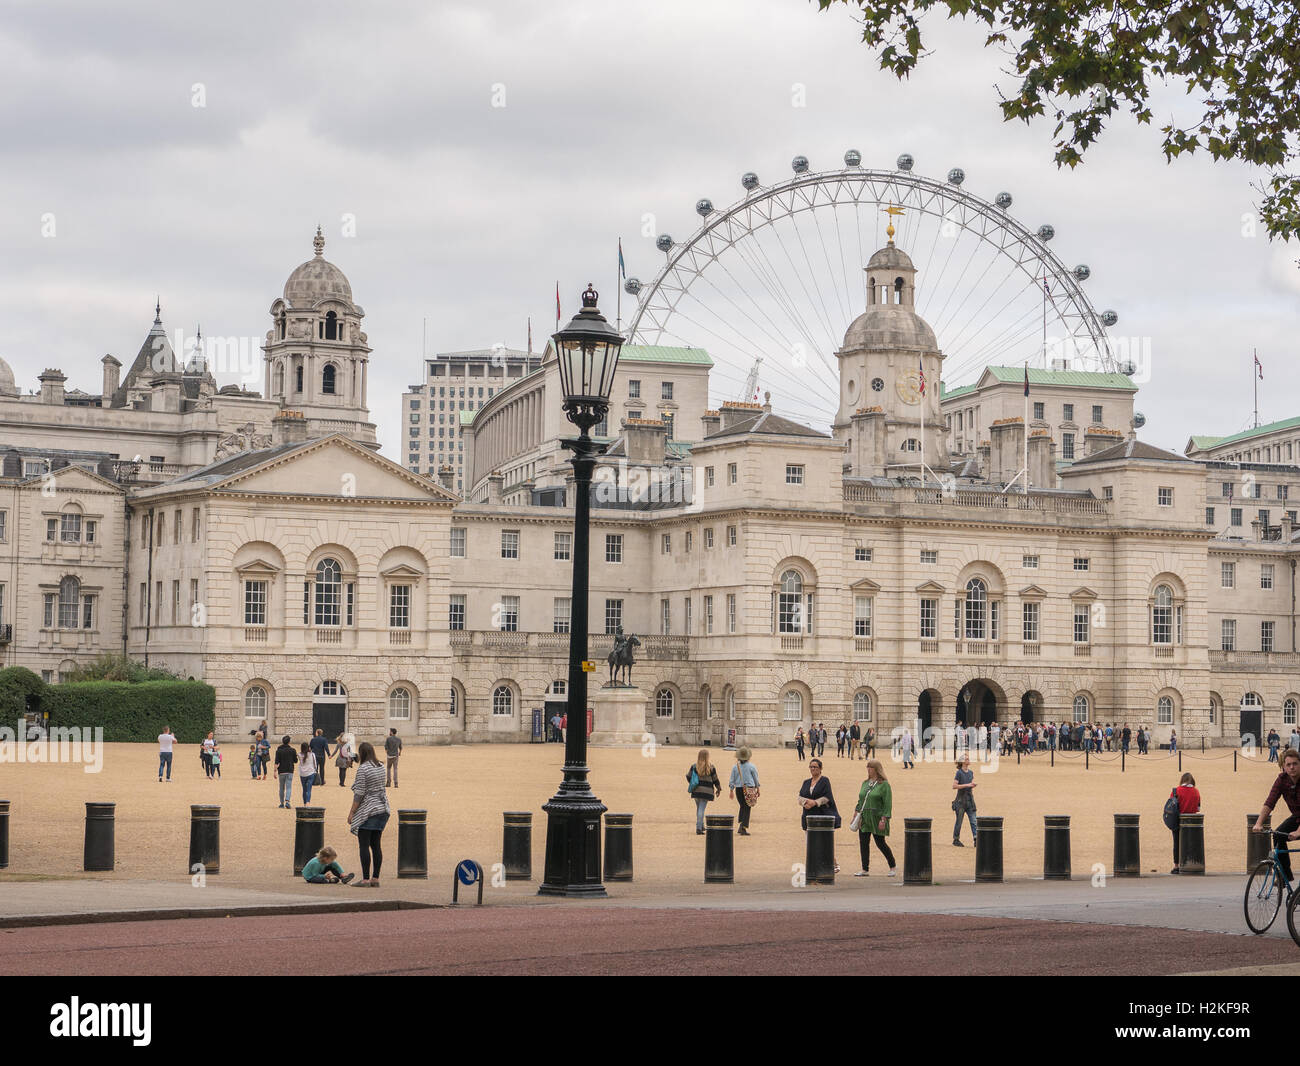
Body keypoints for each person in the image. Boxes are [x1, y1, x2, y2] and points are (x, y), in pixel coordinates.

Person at [1253, 748, 1300, 886]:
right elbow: (1270, 802)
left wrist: (1298, 832)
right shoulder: (1282, 780)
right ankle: (1283, 876)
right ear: (1284, 766)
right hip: (1297, 816)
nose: (1292, 767)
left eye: (1295, 764)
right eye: (1289, 764)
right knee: (1278, 835)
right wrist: (1259, 823)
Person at [347, 741, 391, 886]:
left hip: (369, 809)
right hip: (382, 808)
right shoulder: (381, 766)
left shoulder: (363, 769)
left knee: (364, 845)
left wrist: (352, 812)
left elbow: (359, 793)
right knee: (376, 845)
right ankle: (375, 878)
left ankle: (365, 879)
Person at [853, 758, 896, 877]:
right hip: (864, 816)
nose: (868, 769)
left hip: (877, 817)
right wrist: (856, 813)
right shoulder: (865, 783)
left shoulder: (884, 785)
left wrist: (884, 819)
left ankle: (892, 865)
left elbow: (887, 803)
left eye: (870, 767)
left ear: (876, 769)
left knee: (880, 843)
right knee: (863, 842)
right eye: (867, 767)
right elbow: (861, 799)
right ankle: (864, 868)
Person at [798, 758, 841, 873]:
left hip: (822, 816)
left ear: (820, 768)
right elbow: (800, 796)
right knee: (810, 843)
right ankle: (812, 866)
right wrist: (804, 803)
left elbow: (828, 797)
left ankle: (833, 864)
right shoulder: (806, 782)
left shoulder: (825, 781)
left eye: (815, 767)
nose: (812, 769)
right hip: (808, 816)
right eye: (811, 767)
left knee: (823, 843)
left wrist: (815, 802)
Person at [1168, 772, 1200, 874]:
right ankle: (1190, 862)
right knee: (1190, 843)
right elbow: (1198, 808)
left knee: (1177, 843)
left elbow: (1170, 807)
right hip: (1192, 821)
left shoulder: (1176, 791)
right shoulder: (1196, 791)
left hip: (1178, 820)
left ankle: (1176, 865)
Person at [686, 749, 722, 834]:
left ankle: (701, 825)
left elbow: (688, 777)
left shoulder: (694, 766)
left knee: (699, 808)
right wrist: (718, 788)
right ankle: (699, 827)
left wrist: (693, 783)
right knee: (701, 809)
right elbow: (715, 779)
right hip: (706, 791)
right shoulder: (711, 767)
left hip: (696, 790)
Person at [729, 747, 760, 836]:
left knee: (742, 806)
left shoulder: (735, 767)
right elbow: (755, 779)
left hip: (738, 789)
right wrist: (758, 789)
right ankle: (743, 827)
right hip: (749, 788)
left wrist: (731, 790)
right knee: (748, 807)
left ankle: (741, 824)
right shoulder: (752, 766)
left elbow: (732, 780)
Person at [952, 756, 977, 846]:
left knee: (974, 820)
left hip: (970, 800)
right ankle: (956, 839)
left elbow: (970, 785)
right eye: (966, 759)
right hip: (960, 801)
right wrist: (967, 785)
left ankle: (976, 838)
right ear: (962, 762)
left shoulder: (971, 772)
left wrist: (972, 785)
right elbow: (954, 786)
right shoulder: (959, 773)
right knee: (959, 821)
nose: (968, 760)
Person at [275, 735, 298, 808]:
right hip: (289, 770)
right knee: (289, 787)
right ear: (289, 742)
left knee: (281, 788)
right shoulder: (293, 750)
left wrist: (274, 771)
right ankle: (287, 801)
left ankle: (281, 803)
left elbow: (276, 762)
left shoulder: (278, 750)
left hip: (281, 771)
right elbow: (296, 761)